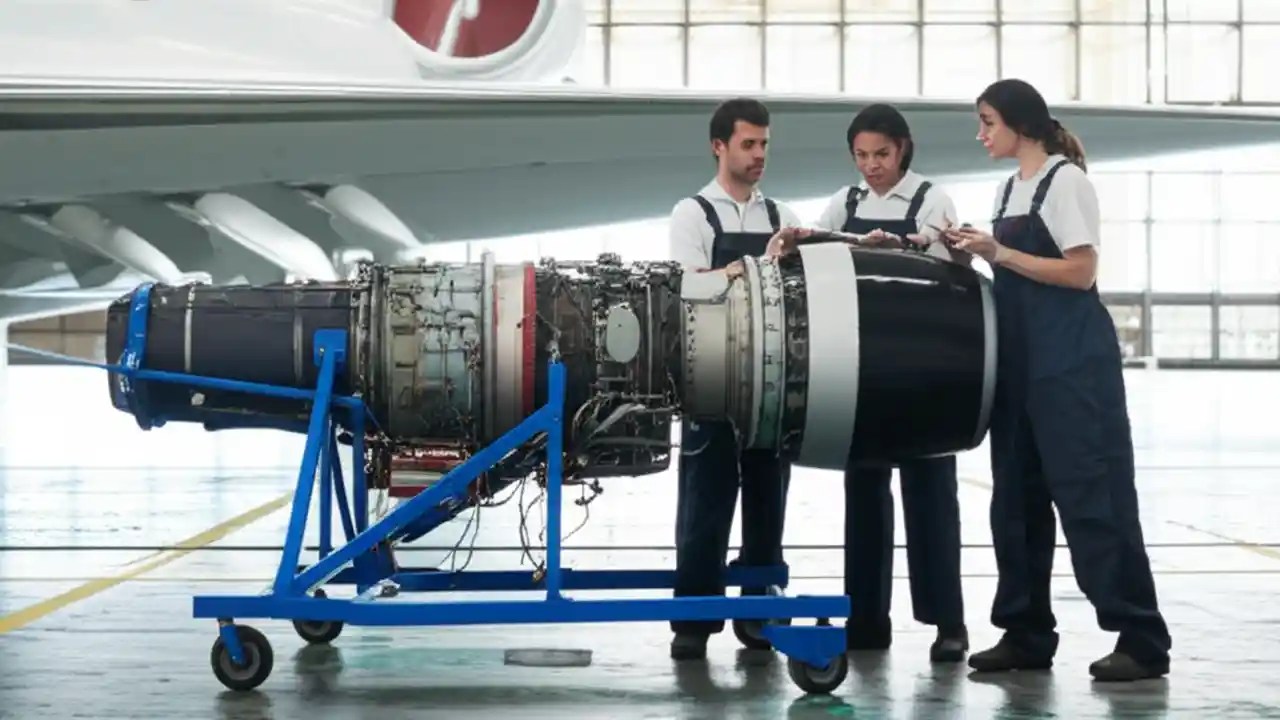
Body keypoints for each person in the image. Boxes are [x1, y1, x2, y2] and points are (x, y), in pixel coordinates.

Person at [944, 78, 1171, 682]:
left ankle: (1141, 638)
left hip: (1071, 364)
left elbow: (1079, 271)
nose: (981, 133)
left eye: (988, 121)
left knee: (1092, 496)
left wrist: (1001, 254)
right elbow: (1014, 273)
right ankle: (1025, 632)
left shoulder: (1065, 181)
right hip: (1017, 366)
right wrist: (970, 252)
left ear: (1020, 123)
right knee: (1014, 502)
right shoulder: (1007, 188)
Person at [808, 103, 969, 662]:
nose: (871, 166)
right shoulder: (843, 203)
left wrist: (902, 249)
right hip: (862, 372)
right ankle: (867, 618)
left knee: (932, 500)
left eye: (881, 154)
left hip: (925, 369)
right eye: (861, 156)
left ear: (903, 149)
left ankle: (948, 622)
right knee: (865, 497)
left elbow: (955, 278)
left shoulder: (933, 201)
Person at [666, 97, 800, 661]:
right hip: (713, 379)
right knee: (707, 499)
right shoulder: (693, 213)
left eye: (764, 143)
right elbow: (689, 286)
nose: (759, 154)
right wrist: (754, 268)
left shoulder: (780, 217)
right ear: (719, 146)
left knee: (769, 499)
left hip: (770, 384)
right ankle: (694, 620)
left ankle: (758, 610)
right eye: (749, 144)